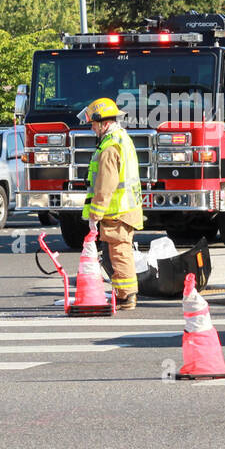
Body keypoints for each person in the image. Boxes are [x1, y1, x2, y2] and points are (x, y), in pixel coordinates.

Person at [81, 97, 143, 311]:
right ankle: (123, 293)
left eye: (93, 124)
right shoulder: (122, 139)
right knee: (116, 253)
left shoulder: (109, 147)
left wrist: (94, 215)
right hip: (126, 208)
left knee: (119, 253)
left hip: (118, 211)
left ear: (104, 123)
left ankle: (127, 296)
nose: (92, 128)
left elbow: (105, 186)